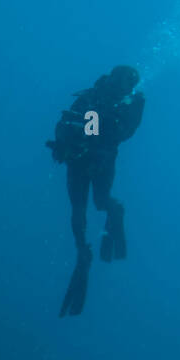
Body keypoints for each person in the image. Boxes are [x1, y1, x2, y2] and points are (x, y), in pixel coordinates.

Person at [47, 65, 144, 316]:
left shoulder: (128, 103)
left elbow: (125, 132)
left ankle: (113, 214)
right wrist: (63, 145)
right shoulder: (90, 97)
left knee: (98, 203)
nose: (123, 87)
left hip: (100, 162)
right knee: (79, 210)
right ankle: (83, 251)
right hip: (80, 161)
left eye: (127, 83)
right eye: (121, 81)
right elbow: (65, 123)